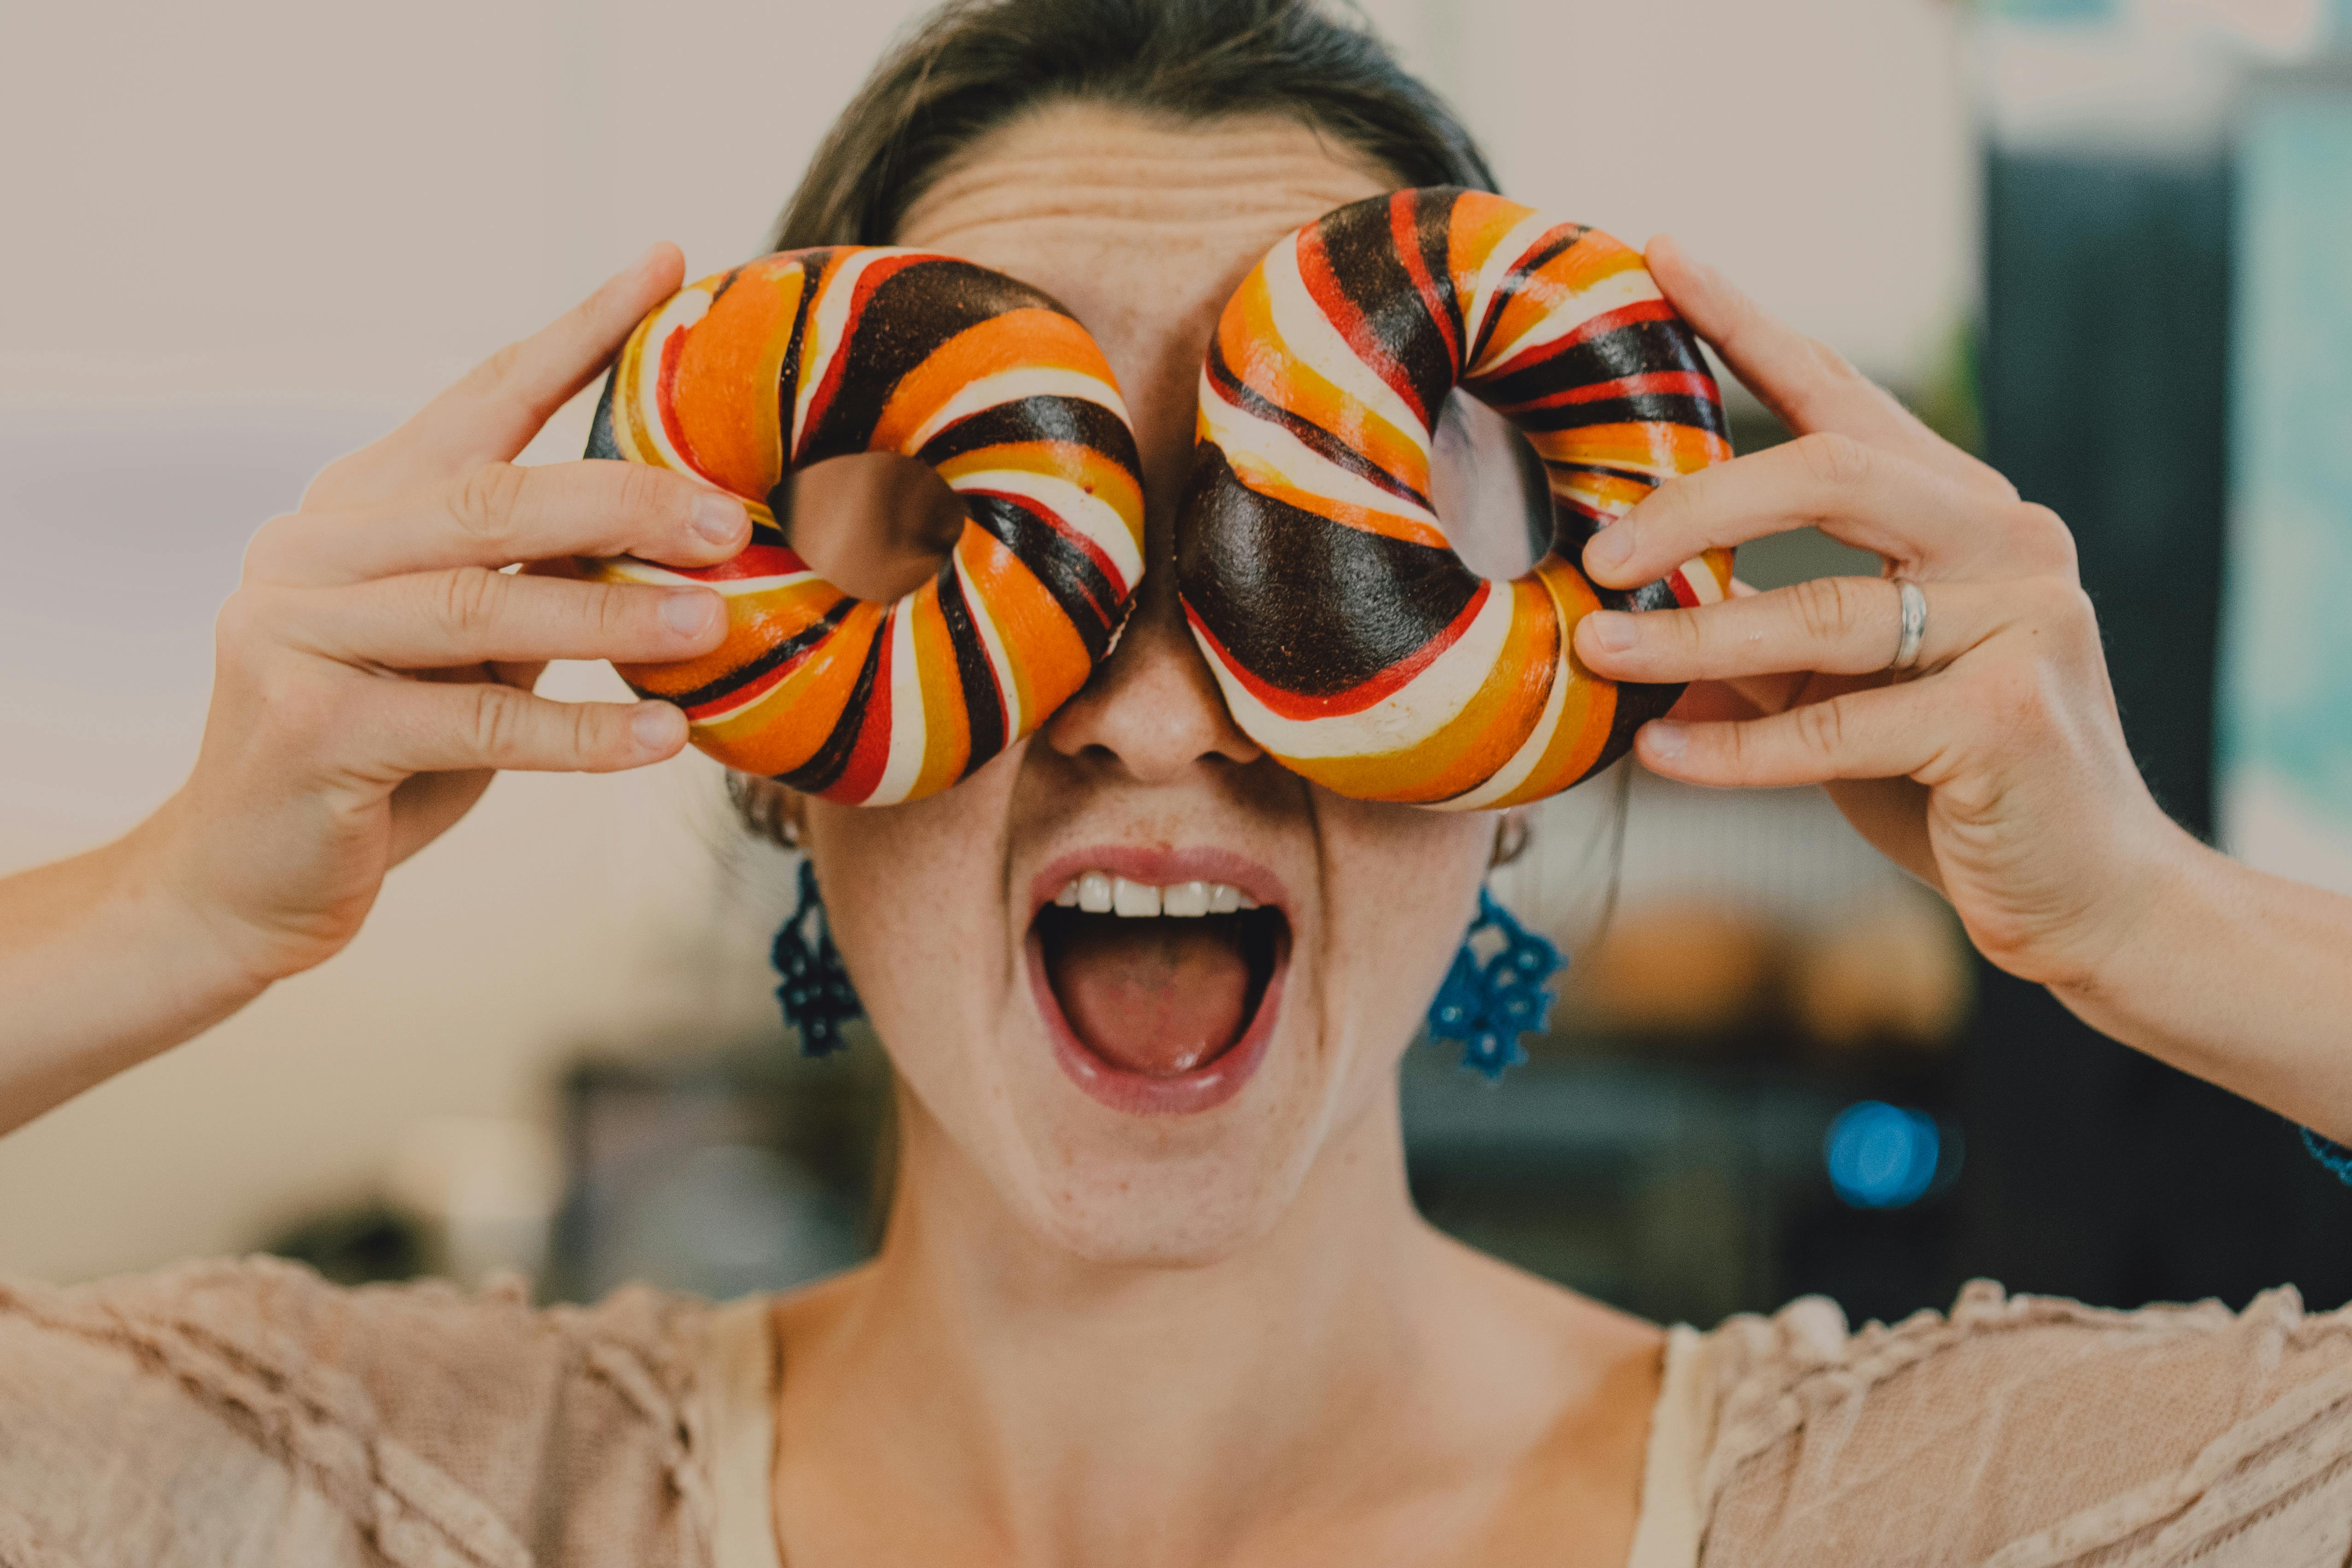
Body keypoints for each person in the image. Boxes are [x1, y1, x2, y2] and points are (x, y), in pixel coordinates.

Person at [6, 2, 2352, 1563]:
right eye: (970, 528)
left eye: (1337, 555)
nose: (1155, 704)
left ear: (1542, 716)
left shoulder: (1970, 1518)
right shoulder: (340, 1495)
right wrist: (168, 902)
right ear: (765, 715)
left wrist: (2149, 917)